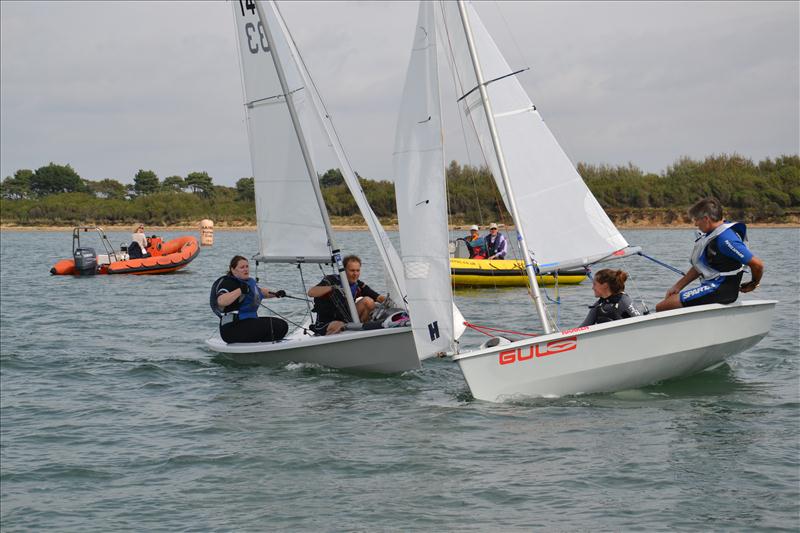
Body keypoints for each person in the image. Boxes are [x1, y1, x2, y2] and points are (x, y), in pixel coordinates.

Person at [655, 197, 764, 312]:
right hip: (713, 288)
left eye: (696, 220)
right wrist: (677, 286)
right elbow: (700, 266)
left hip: (720, 290)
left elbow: (758, 264)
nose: (695, 224)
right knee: (669, 301)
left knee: (663, 307)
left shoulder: (726, 239)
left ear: (706, 219)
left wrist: (754, 283)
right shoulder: (713, 234)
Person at [213, 255, 288, 343]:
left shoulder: (248, 282)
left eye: (247, 266)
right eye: (242, 267)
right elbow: (221, 301)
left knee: (282, 325)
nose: (246, 269)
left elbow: (260, 292)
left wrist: (276, 294)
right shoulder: (228, 282)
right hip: (232, 328)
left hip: (248, 322)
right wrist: (240, 290)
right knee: (276, 327)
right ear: (233, 270)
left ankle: (263, 346)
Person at [307, 255, 386, 335]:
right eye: (352, 270)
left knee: (368, 302)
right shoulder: (331, 280)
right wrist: (333, 288)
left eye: (357, 270)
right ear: (344, 270)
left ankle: (362, 332)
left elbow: (379, 298)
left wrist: (391, 301)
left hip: (346, 318)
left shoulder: (358, 285)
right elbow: (311, 292)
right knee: (339, 325)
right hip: (326, 322)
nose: (355, 274)